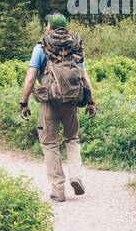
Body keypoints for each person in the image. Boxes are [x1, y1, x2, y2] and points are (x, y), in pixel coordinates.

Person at [19, 13, 96, 202]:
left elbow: (30, 78)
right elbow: (85, 77)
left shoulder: (41, 47)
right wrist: (91, 101)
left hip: (49, 102)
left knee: (50, 143)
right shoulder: (74, 46)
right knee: (72, 139)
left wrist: (23, 102)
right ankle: (76, 175)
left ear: (49, 27)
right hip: (71, 103)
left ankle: (58, 190)